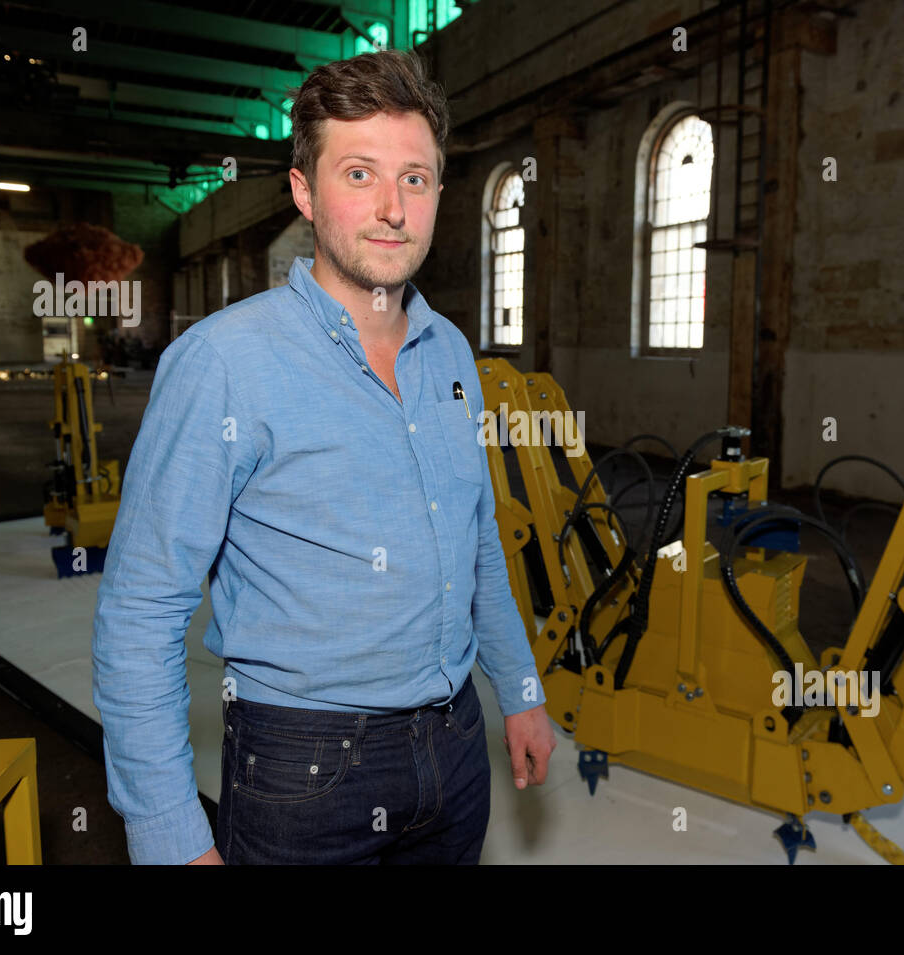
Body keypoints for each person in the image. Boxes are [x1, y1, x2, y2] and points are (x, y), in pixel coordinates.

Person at [92, 49, 556, 866]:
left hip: (455, 749)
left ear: (439, 193)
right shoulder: (225, 363)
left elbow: (478, 541)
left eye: (415, 179)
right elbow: (141, 610)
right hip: (304, 773)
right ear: (305, 192)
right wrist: (168, 832)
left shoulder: (450, 351)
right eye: (359, 174)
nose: (391, 207)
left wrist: (517, 690)